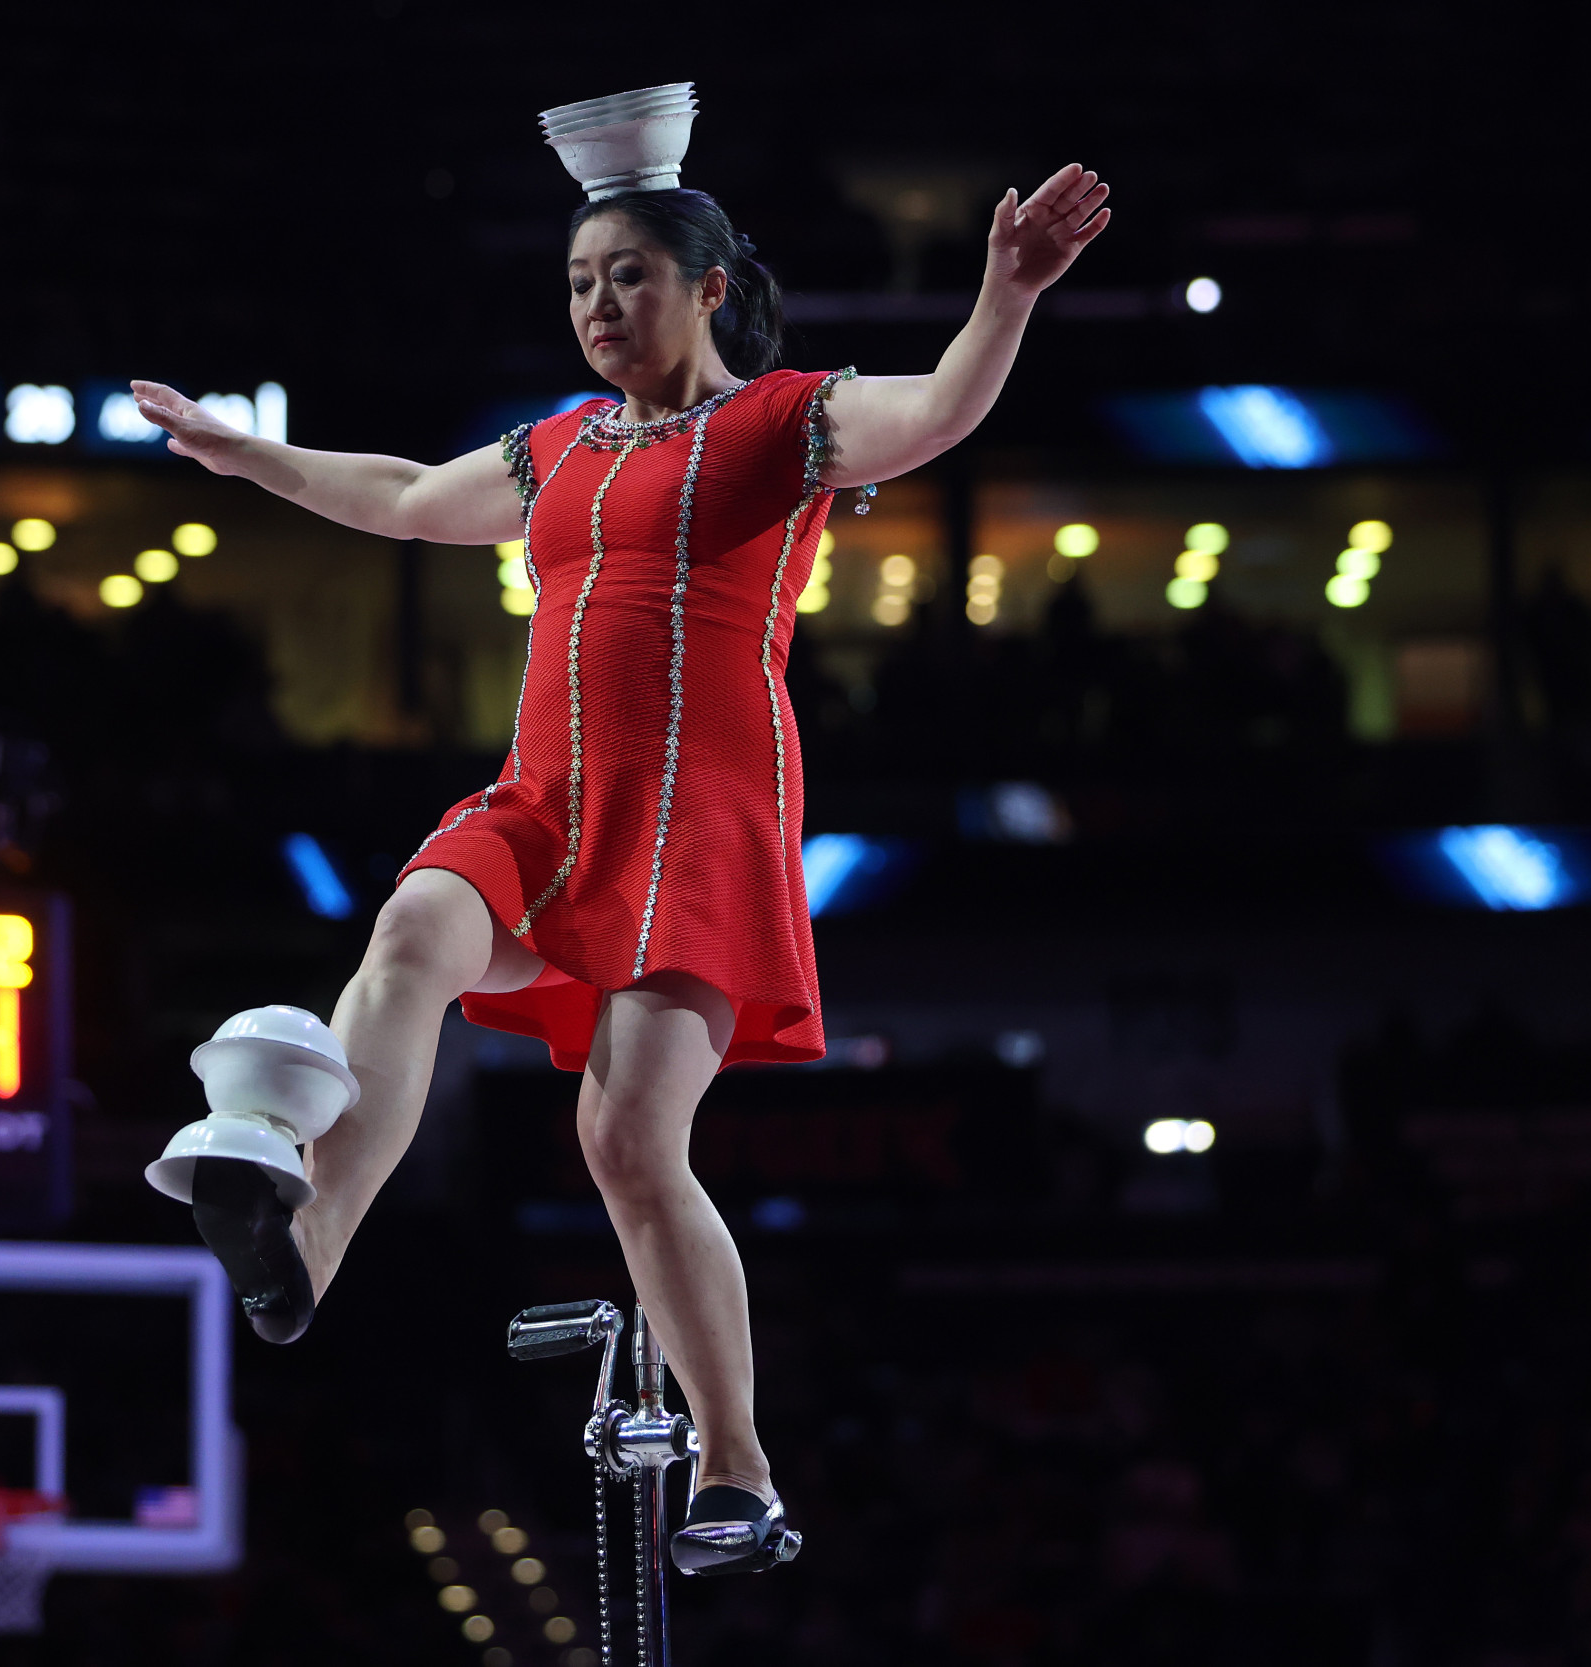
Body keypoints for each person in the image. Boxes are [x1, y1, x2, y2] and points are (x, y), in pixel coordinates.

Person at [135, 92, 1109, 1575]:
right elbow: (399, 495)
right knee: (407, 935)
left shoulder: (784, 427)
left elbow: (942, 412)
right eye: (579, 283)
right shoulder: (560, 448)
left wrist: (1005, 297)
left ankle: (742, 1472)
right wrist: (242, 454)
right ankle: (302, 1246)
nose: (597, 305)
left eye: (628, 277)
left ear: (708, 289)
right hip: (543, 799)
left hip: (696, 816)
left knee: (627, 1141)